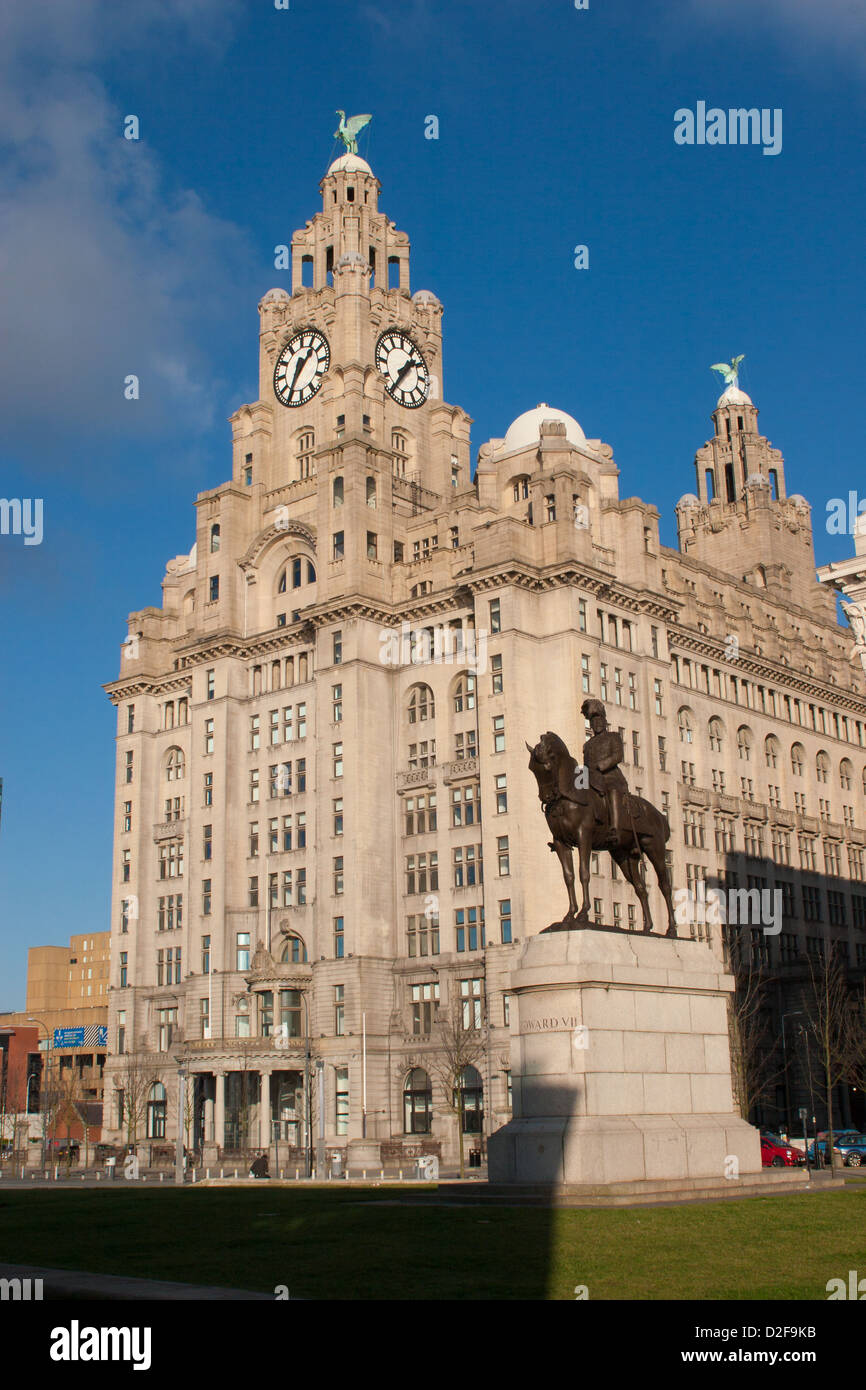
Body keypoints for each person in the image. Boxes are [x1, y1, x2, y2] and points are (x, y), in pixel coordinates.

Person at [581, 698, 631, 847]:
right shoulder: (588, 745)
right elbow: (585, 765)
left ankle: (615, 827)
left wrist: (602, 765)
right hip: (592, 779)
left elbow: (617, 756)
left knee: (613, 791)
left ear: (604, 722)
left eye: (599, 722)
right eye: (593, 723)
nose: (596, 725)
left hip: (610, 776)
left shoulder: (613, 737)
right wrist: (580, 781)